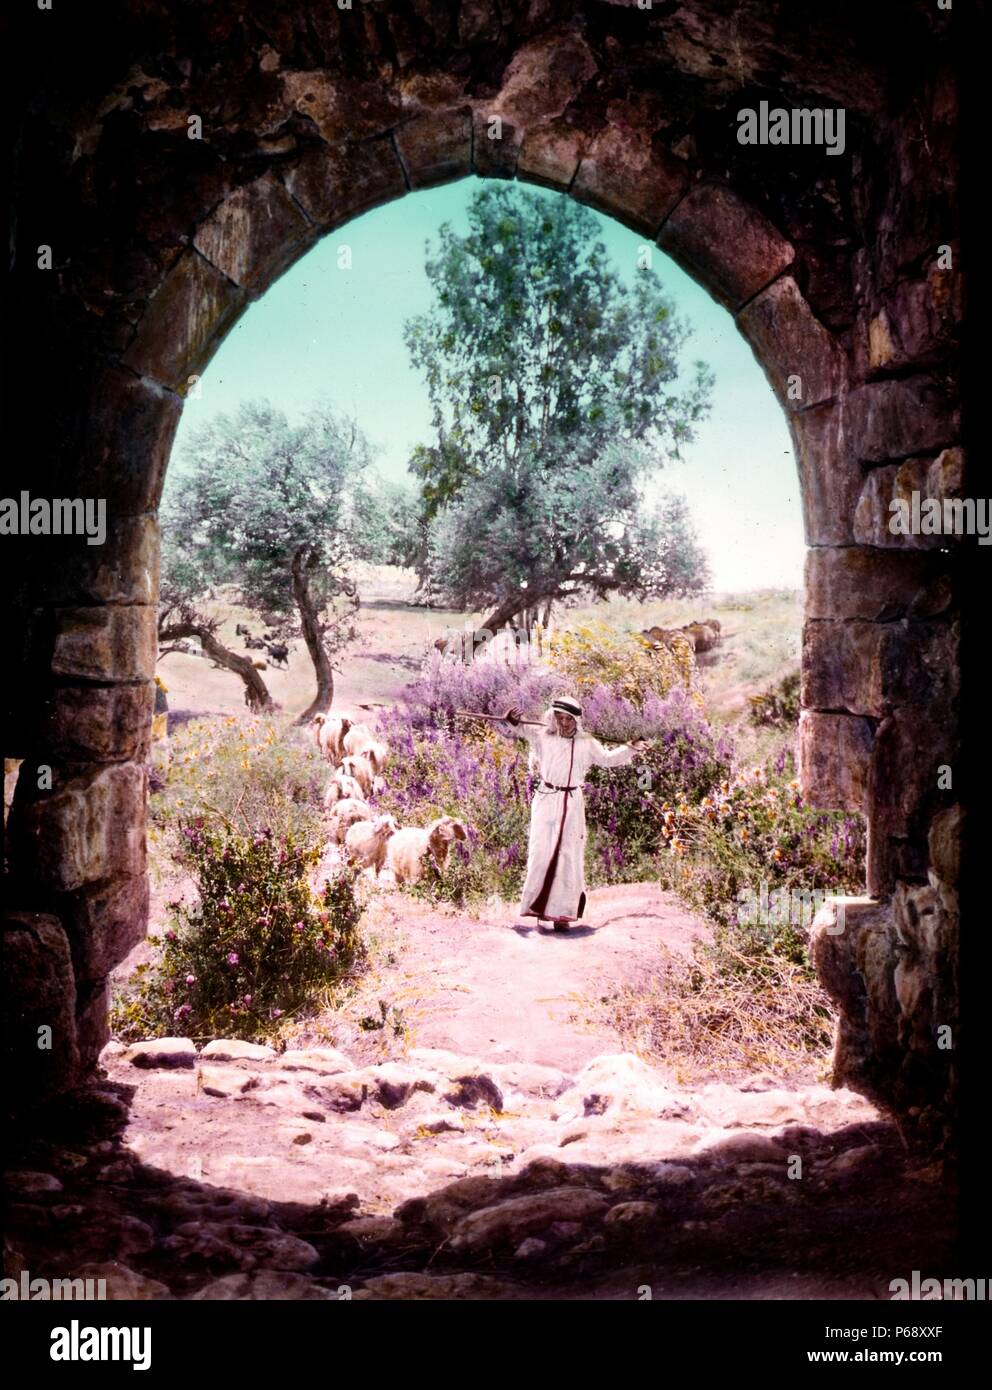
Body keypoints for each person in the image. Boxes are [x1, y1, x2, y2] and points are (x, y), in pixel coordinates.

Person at [498, 695, 649, 931]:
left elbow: (608, 759)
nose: (564, 723)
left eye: (569, 719)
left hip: (572, 803)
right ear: (554, 716)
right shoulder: (543, 736)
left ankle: (561, 915)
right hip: (546, 799)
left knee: (568, 857)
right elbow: (519, 729)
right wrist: (513, 720)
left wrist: (629, 748)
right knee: (541, 853)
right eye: (560, 717)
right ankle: (540, 909)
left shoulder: (586, 742)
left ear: (576, 720)